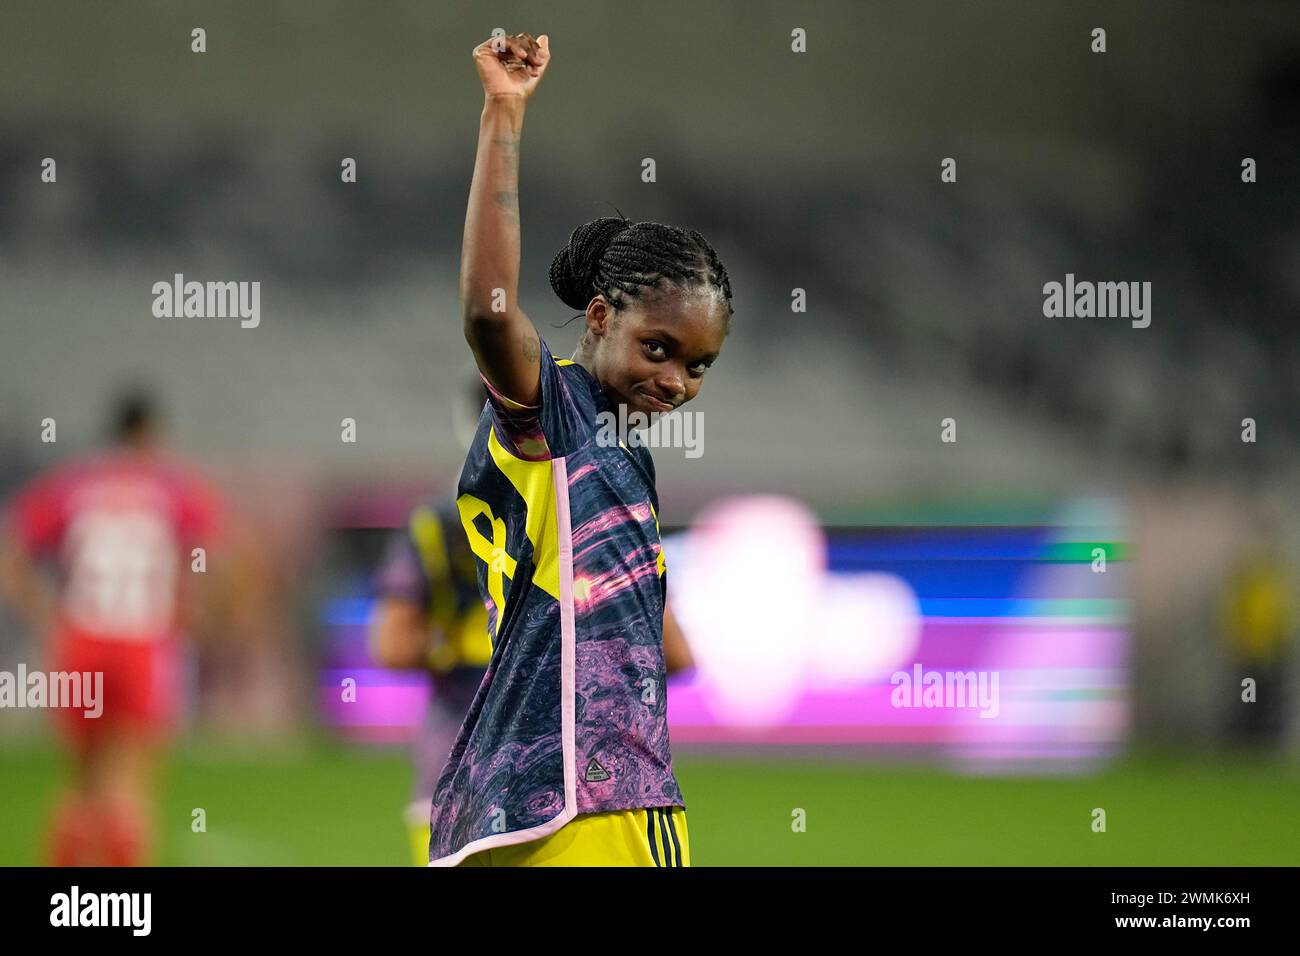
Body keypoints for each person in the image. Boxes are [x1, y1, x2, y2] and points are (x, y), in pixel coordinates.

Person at [428, 30, 729, 867]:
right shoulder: (557, 411)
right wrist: (504, 111)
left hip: (501, 797)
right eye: (659, 348)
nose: (675, 380)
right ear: (599, 318)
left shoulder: (620, 452)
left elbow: (659, 642)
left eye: (698, 365)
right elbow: (490, 312)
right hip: (598, 795)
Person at [0, 390, 228, 866]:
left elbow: (13, 552)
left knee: (81, 784)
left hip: (82, 639)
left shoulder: (74, 483)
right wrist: (193, 608)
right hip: (141, 643)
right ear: (150, 433)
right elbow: (220, 551)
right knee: (132, 783)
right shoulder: (168, 487)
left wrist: (48, 615)